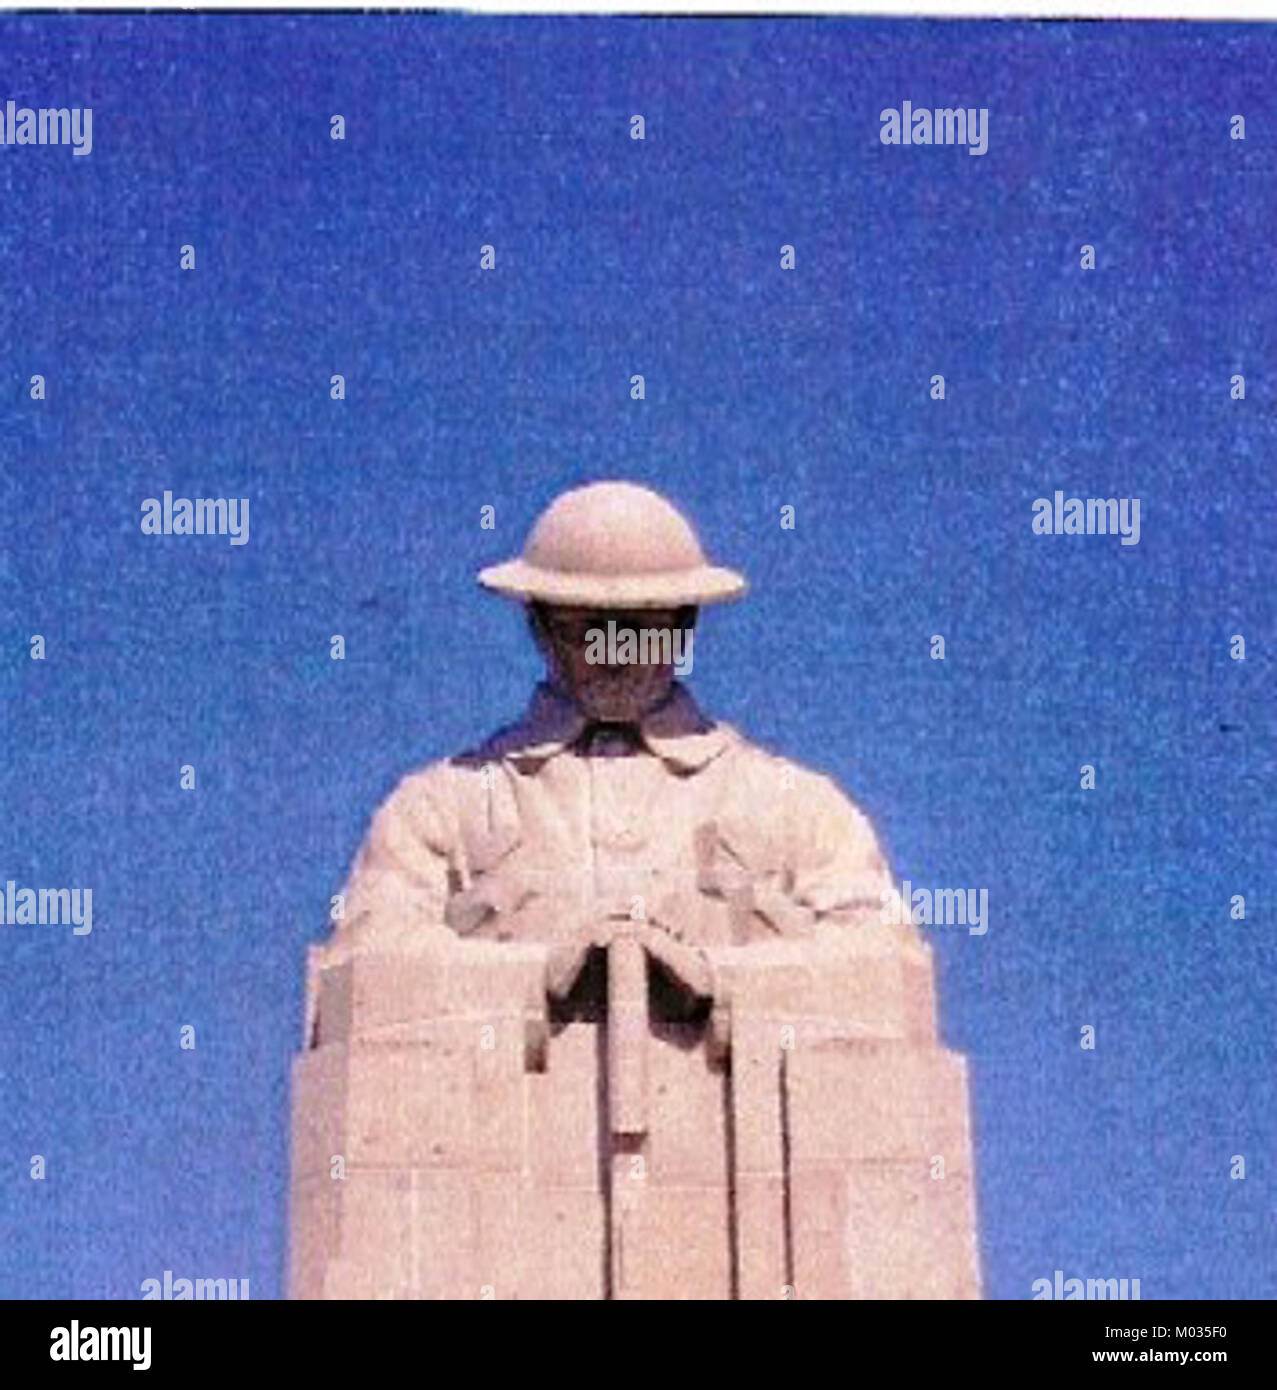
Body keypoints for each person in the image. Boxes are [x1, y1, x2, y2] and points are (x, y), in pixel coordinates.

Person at [320, 480, 927, 1022]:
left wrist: (721, 982)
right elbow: (367, 965)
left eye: (638, 629)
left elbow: (884, 965)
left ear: (685, 624)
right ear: (538, 625)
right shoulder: (441, 806)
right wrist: (535, 977)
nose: (616, 653)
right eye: (589, 628)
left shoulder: (795, 808)